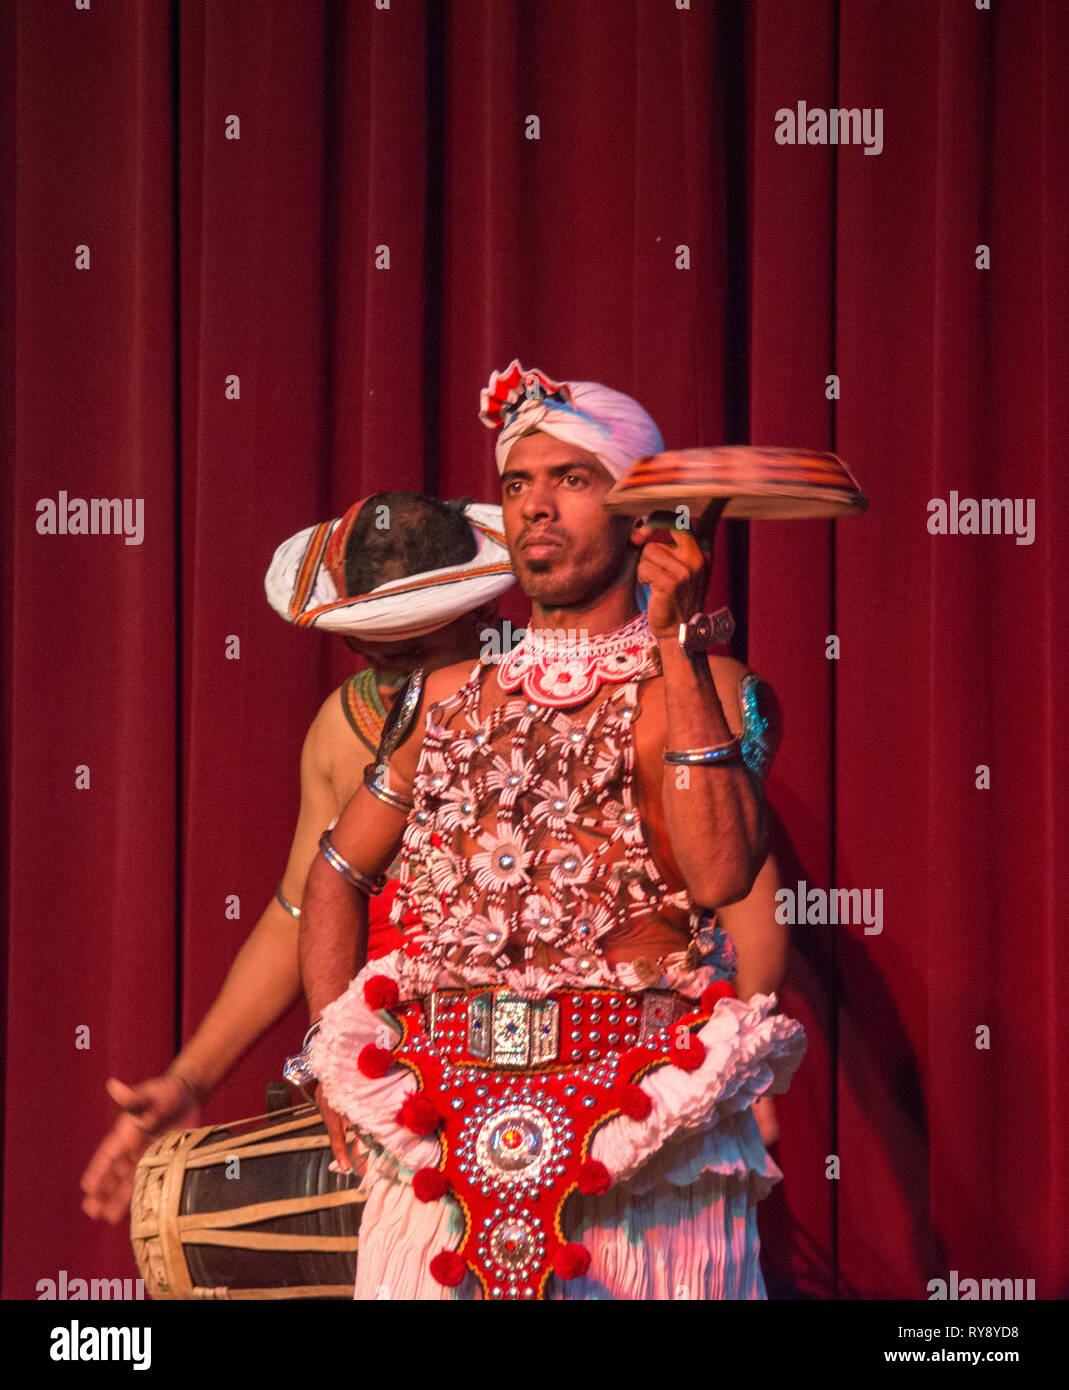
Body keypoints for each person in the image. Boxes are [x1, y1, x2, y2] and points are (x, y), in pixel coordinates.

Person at [301, 361, 807, 1300]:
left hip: (636, 1139)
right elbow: (333, 873)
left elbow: (722, 874)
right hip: (436, 1135)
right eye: (517, 484)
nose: (536, 506)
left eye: (571, 479)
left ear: (640, 514)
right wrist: (330, 1060)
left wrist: (673, 643)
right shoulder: (446, 696)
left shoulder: (712, 687)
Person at [79, 492, 515, 1225]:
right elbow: (297, 913)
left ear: (478, 618)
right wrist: (189, 1079)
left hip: (538, 1069)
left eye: (410, 654)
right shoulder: (344, 726)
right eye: (369, 657)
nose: (390, 682)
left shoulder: (553, 711)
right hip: (389, 1083)